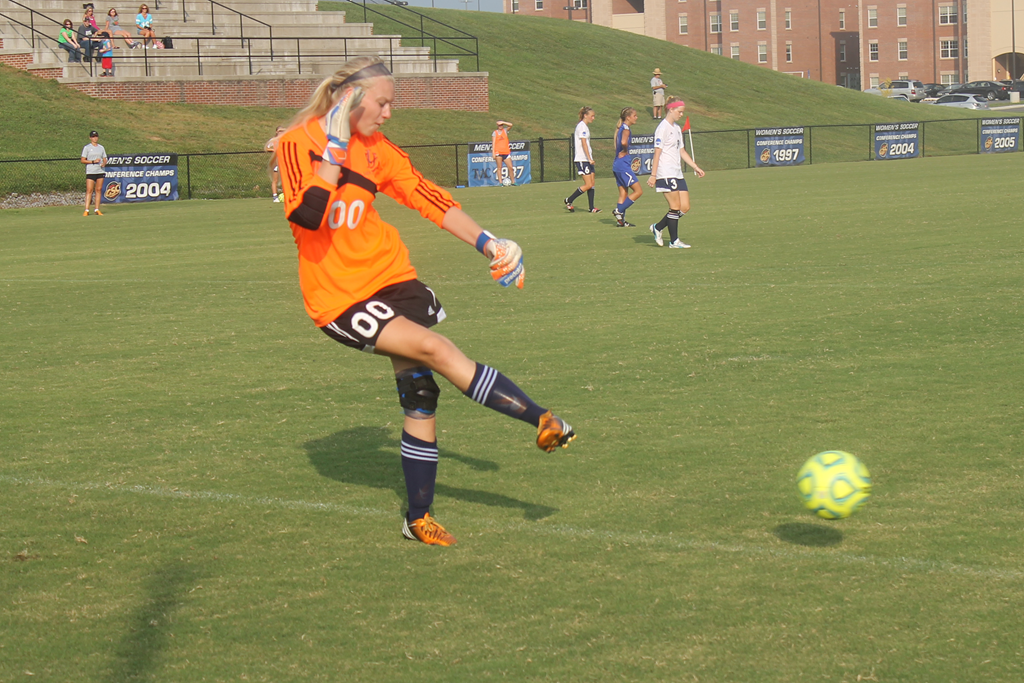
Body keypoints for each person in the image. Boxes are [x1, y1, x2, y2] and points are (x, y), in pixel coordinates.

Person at [276, 56, 576, 547]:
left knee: (420, 394)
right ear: (349, 98)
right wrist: (333, 147)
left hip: (392, 277)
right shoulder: (298, 144)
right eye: (383, 102)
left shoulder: (376, 148)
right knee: (437, 352)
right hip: (340, 297)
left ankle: (418, 520)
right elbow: (308, 216)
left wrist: (490, 244)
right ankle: (542, 418)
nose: (388, 113)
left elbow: (425, 195)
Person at [647, 97, 704, 248]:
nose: (681, 114)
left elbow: (682, 151)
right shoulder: (662, 128)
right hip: (665, 172)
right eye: (679, 112)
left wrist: (695, 167)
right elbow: (657, 153)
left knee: (685, 207)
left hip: (677, 173)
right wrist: (653, 175)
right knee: (675, 207)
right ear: (671, 110)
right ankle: (674, 241)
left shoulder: (677, 128)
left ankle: (658, 227)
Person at [563, 106, 599, 213]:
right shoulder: (582, 126)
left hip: (587, 159)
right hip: (582, 159)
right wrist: (588, 158)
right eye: (592, 116)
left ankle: (592, 208)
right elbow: (583, 143)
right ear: (585, 116)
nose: (593, 118)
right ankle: (569, 200)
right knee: (588, 184)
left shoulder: (585, 126)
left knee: (592, 184)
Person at [612, 107, 643, 228]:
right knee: (638, 191)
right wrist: (625, 150)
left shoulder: (621, 128)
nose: (636, 117)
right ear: (628, 117)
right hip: (623, 166)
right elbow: (624, 142)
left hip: (617, 165)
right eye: (635, 115)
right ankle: (619, 211)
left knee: (623, 193)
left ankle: (621, 221)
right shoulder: (626, 129)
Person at [81, 130, 107, 216]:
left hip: (100, 170)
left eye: (96, 136)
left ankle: (97, 209)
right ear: (90, 138)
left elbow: (105, 158)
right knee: (89, 190)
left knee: (98, 190)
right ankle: (87, 210)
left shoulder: (101, 147)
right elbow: (83, 160)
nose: (95, 138)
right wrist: (93, 161)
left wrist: (104, 163)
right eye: (93, 137)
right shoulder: (87, 148)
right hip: (91, 171)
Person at [264, 125, 286, 202]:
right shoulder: (274, 140)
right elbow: (266, 148)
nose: (281, 133)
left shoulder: (285, 139)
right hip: (276, 163)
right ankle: (275, 196)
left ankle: (286, 194)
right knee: (275, 180)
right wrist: (273, 150)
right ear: (277, 132)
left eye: (282, 131)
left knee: (285, 180)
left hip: (284, 163)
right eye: (280, 131)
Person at [491, 120, 515, 186]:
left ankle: (513, 181)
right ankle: (500, 182)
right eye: (499, 125)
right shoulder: (495, 133)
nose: (500, 126)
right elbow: (493, 143)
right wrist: (493, 153)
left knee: (510, 167)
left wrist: (503, 122)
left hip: (506, 152)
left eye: (501, 125)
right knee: (499, 168)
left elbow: (511, 125)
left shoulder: (505, 131)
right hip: (498, 152)